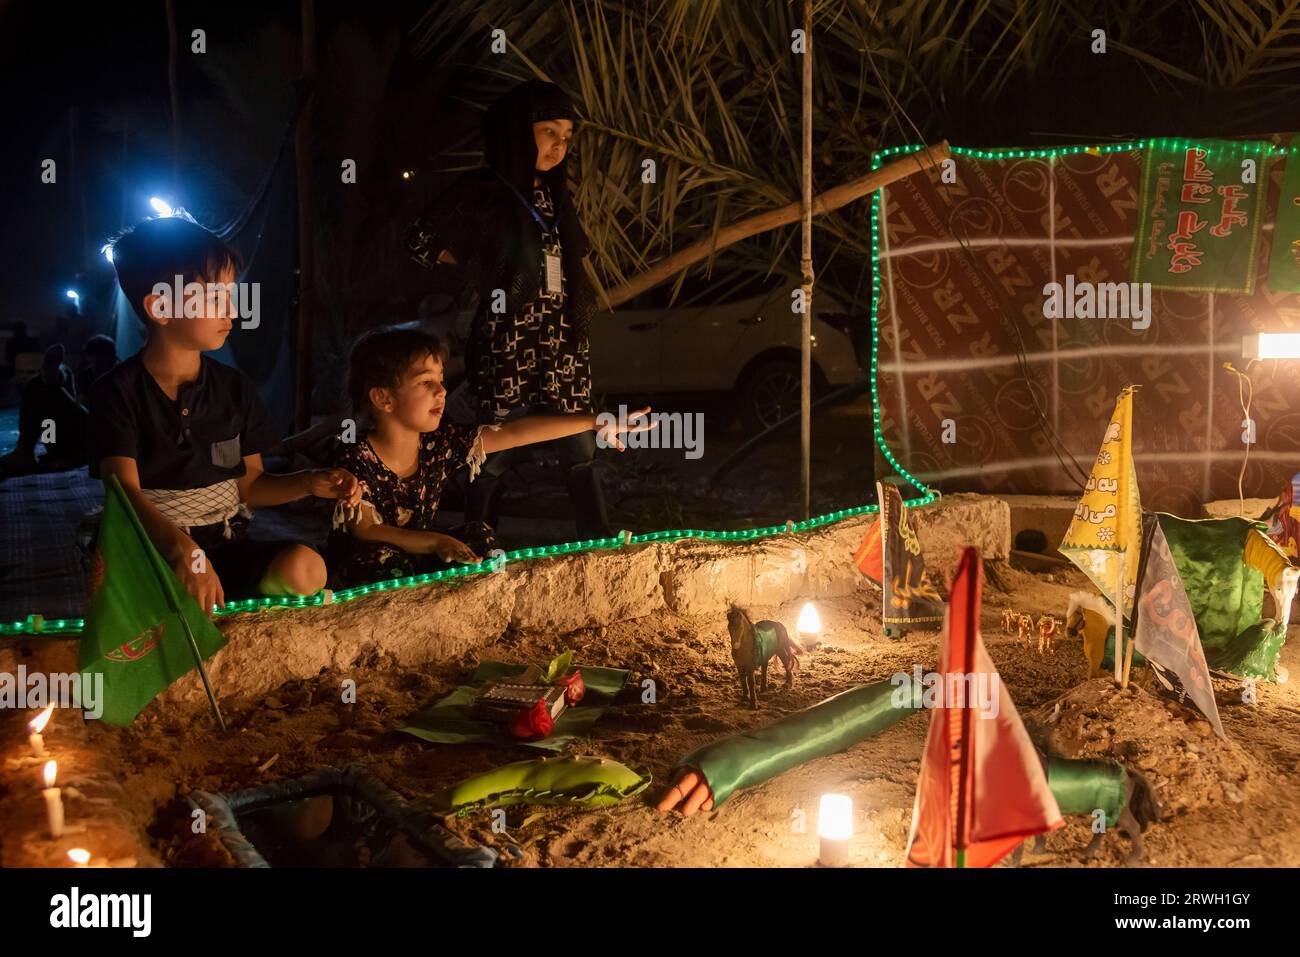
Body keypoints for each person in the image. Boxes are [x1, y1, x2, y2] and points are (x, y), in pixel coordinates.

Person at [89, 216, 361, 611]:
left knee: (307, 569)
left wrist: (309, 483)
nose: (231, 310)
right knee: (165, 600)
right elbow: (124, 493)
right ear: (161, 307)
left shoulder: (234, 389)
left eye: (230, 295)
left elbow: (250, 486)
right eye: (215, 298)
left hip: (226, 543)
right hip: (155, 549)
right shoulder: (116, 394)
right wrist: (182, 549)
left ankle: (221, 599)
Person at [407, 80, 609, 540]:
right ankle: (479, 541)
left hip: (561, 341)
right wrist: (480, 265)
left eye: (567, 136)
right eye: (549, 131)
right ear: (518, 133)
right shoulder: (484, 189)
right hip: (507, 336)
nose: (559, 145)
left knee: (578, 444)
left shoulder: (556, 196)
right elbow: (419, 242)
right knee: (493, 444)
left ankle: (598, 543)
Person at [327, 327, 653, 589]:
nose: (441, 391)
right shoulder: (355, 457)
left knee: (478, 536)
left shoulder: (438, 445)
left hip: (420, 556)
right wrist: (437, 541)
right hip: (367, 567)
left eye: (441, 380)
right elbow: (367, 531)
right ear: (383, 398)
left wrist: (593, 420)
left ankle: (485, 601)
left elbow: (513, 433)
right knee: (381, 559)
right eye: (426, 382)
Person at [0, 344, 88, 477]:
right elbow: (33, 418)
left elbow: (78, 412)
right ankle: (27, 452)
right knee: (46, 418)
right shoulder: (36, 385)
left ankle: (38, 453)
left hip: (76, 434)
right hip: (51, 422)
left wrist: (59, 389)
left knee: (55, 418)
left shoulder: (69, 376)